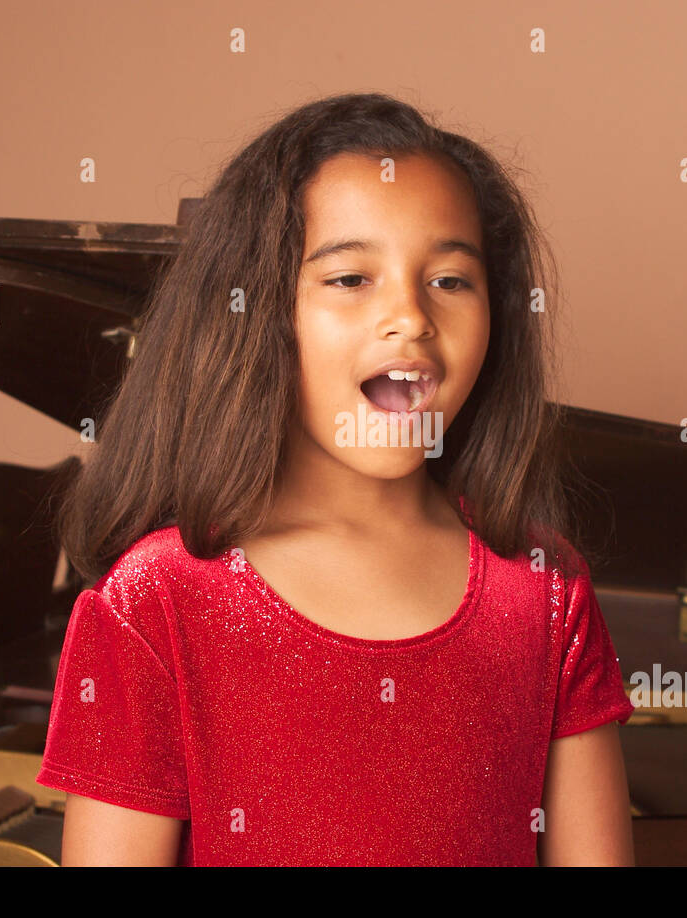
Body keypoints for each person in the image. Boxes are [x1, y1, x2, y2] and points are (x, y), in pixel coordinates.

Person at [35, 92, 635, 866]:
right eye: (351, 279)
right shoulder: (155, 604)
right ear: (255, 316)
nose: (411, 318)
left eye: (451, 280)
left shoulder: (548, 592)